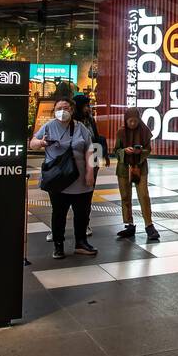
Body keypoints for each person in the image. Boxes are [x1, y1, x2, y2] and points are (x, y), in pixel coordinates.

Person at [29, 98, 99, 260]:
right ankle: (58, 245)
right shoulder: (48, 126)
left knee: (82, 213)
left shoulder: (80, 127)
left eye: (66, 107)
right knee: (59, 213)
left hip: (80, 179)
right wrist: (41, 142)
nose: (62, 111)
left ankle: (81, 243)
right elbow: (32, 143)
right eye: (59, 108)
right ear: (54, 110)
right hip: (58, 179)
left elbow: (90, 150)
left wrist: (90, 172)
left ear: (72, 110)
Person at [114, 106, 158, 243]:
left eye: (135, 121)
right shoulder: (121, 132)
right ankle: (129, 224)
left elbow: (148, 149)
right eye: (130, 121)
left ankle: (149, 225)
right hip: (123, 168)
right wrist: (124, 151)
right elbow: (116, 150)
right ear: (126, 120)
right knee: (125, 196)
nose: (132, 124)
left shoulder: (144, 131)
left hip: (140, 166)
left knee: (143, 195)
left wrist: (140, 153)